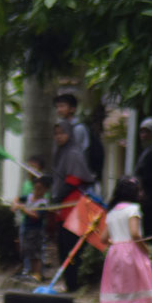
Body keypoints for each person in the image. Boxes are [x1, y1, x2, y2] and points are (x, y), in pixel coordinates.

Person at [99, 177, 152, 303]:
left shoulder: (112, 212)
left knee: (117, 298)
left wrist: (116, 242)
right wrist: (145, 248)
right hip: (131, 253)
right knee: (135, 297)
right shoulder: (134, 209)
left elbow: (103, 238)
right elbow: (135, 233)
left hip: (115, 253)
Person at [50, 118, 95, 292]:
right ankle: (69, 282)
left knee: (71, 245)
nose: (59, 137)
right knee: (62, 244)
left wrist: (59, 196)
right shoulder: (61, 152)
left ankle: (74, 283)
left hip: (73, 206)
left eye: (62, 133)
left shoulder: (73, 153)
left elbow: (74, 179)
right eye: (56, 133)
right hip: (63, 207)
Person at [11, 174, 51, 281]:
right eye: (35, 188)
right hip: (26, 227)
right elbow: (17, 199)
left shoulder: (43, 203)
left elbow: (37, 216)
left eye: (40, 189)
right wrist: (15, 204)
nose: (36, 191)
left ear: (45, 190)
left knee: (35, 252)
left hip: (36, 230)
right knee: (26, 250)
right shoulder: (29, 197)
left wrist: (24, 209)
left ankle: (37, 273)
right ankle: (29, 272)